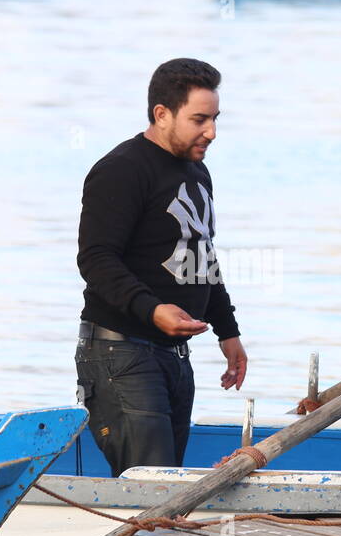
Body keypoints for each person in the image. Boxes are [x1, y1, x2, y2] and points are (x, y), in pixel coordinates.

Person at [75, 58, 248, 477]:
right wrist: (152, 310)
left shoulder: (197, 172)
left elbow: (201, 255)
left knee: (168, 481)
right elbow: (95, 259)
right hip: (121, 353)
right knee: (151, 486)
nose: (211, 132)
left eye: (215, 119)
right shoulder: (122, 169)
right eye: (199, 120)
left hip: (174, 356)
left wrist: (228, 332)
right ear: (162, 114)